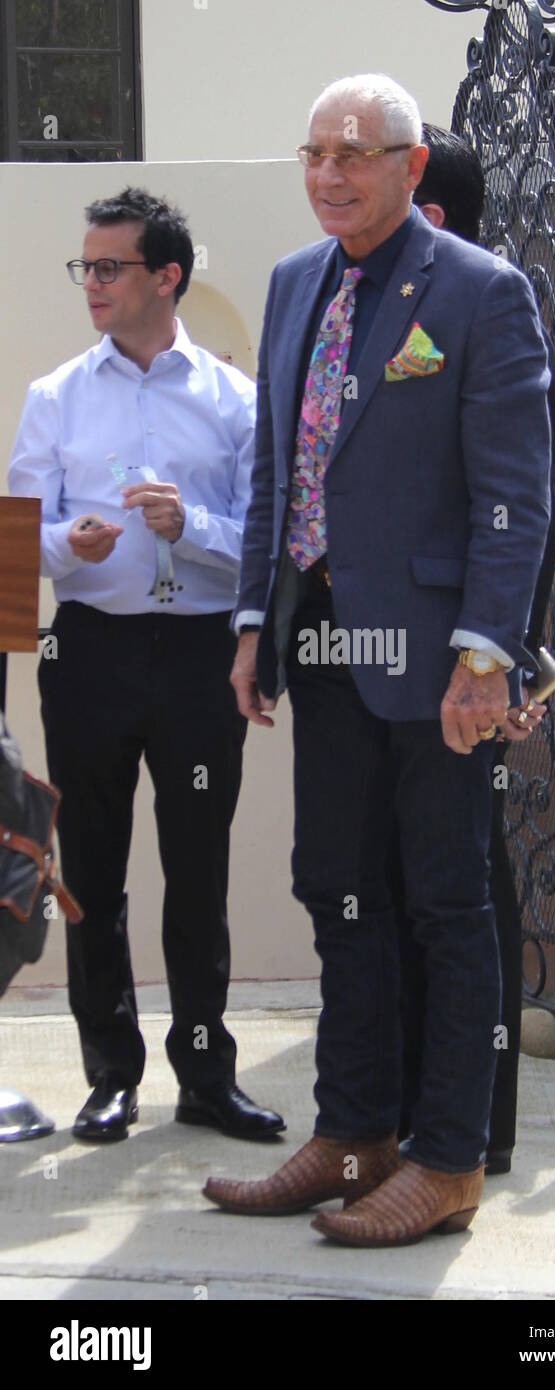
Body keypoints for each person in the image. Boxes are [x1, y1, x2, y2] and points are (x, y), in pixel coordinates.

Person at [204, 74, 551, 1246]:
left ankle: (447, 1158)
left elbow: (514, 495)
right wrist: (257, 621)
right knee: (334, 886)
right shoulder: (295, 280)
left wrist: (486, 654)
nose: (328, 173)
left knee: (444, 901)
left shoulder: (480, 291)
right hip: (322, 641)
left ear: (410, 168)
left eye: (354, 152)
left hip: (437, 659)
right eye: (312, 152)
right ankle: (354, 1133)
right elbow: (278, 476)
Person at [9, 187, 284, 1144]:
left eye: (110, 266)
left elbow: (267, 538)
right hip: (90, 653)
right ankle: (109, 1076)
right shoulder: (54, 397)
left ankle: (207, 1075)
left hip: (204, 656)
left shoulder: (236, 399)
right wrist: (60, 549)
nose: (92, 281)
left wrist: (190, 526)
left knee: (198, 869)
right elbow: (15, 544)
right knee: (92, 868)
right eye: (86, 265)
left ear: (166, 276)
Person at [392, 124, 555, 1173]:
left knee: (464, 886)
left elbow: (518, 506)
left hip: (466, 670)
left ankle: (475, 1129)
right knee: (418, 883)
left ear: (429, 212)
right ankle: (427, 1104)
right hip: (400, 665)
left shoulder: (487, 318)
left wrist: (502, 660)